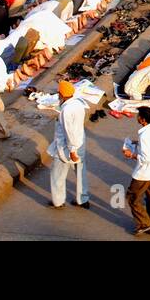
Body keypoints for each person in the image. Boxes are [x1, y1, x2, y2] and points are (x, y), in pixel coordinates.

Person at [122, 105, 150, 236]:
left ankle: (145, 223)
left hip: (145, 172)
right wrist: (137, 143)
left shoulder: (145, 135)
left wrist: (131, 154)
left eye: (138, 115)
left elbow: (145, 157)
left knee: (132, 197)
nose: (137, 117)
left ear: (143, 119)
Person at [48, 80, 88, 209]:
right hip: (80, 142)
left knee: (57, 174)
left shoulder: (66, 110)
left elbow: (69, 132)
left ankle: (58, 201)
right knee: (81, 172)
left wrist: (72, 150)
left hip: (67, 147)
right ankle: (83, 199)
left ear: (61, 95)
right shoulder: (78, 104)